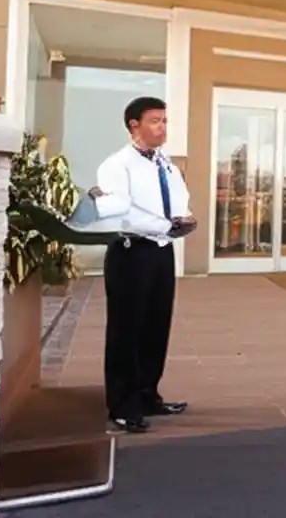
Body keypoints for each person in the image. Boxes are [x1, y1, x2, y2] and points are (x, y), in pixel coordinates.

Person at [89, 97, 194, 433]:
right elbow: (120, 210)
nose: (162, 127)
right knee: (126, 329)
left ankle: (148, 395)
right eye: (155, 121)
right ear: (134, 125)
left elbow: (179, 197)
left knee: (156, 325)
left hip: (161, 252)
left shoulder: (165, 164)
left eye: (165, 121)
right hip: (131, 252)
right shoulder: (117, 165)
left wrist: (183, 218)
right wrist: (166, 225)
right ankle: (122, 405)